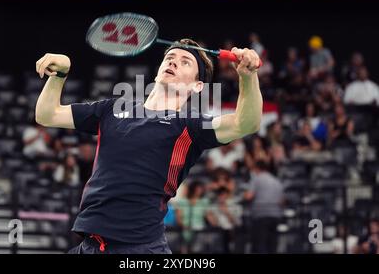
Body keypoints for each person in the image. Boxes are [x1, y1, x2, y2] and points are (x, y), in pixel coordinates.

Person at [35, 38, 262, 254]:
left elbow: (246, 123)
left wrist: (248, 76)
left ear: (197, 86)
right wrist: (59, 75)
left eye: (185, 62)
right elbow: (47, 115)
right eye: (170, 57)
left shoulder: (190, 125)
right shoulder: (112, 109)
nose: (173, 61)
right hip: (90, 244)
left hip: (140, 247)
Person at [244, 161, 284, 254]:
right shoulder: (276, 180)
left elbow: (249, 196)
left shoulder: (257, 179)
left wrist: (243, 195)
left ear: (257, 169)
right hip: (275, 215)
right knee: (272, 245)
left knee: (260, 245)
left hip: (261, 215)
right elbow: (282, 201)